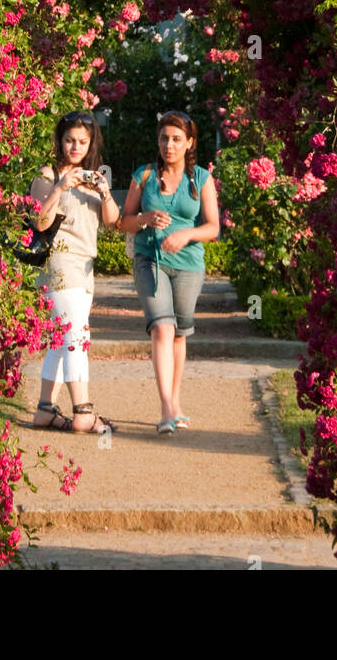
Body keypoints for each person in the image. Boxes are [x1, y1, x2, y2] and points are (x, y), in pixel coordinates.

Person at [119, 111, 219, 435]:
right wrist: (146, 218)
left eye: (177, 139)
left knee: (179, 332)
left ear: (189, 142)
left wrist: (186, 234)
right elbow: (123, 222)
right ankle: (165, 409)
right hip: (150, 261)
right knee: (161, 328)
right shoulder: (144, 175)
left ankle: (175, 402)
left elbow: (213, 228)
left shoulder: (201, 178)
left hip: (189, 265)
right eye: (164, 138)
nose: (169, 145)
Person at [30, 111, 122, 434]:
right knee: (76, 338)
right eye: (70, 140)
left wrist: (105, 193)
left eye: (83, 141)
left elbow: (113, 222)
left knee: (60, 339)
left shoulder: (92, 177)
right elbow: (39, 223)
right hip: (59, 267)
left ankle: (44, 409)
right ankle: (83, 411)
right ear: (60, 139)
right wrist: (59, 187)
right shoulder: (46, 174)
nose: (76, 147)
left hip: (85, 270)